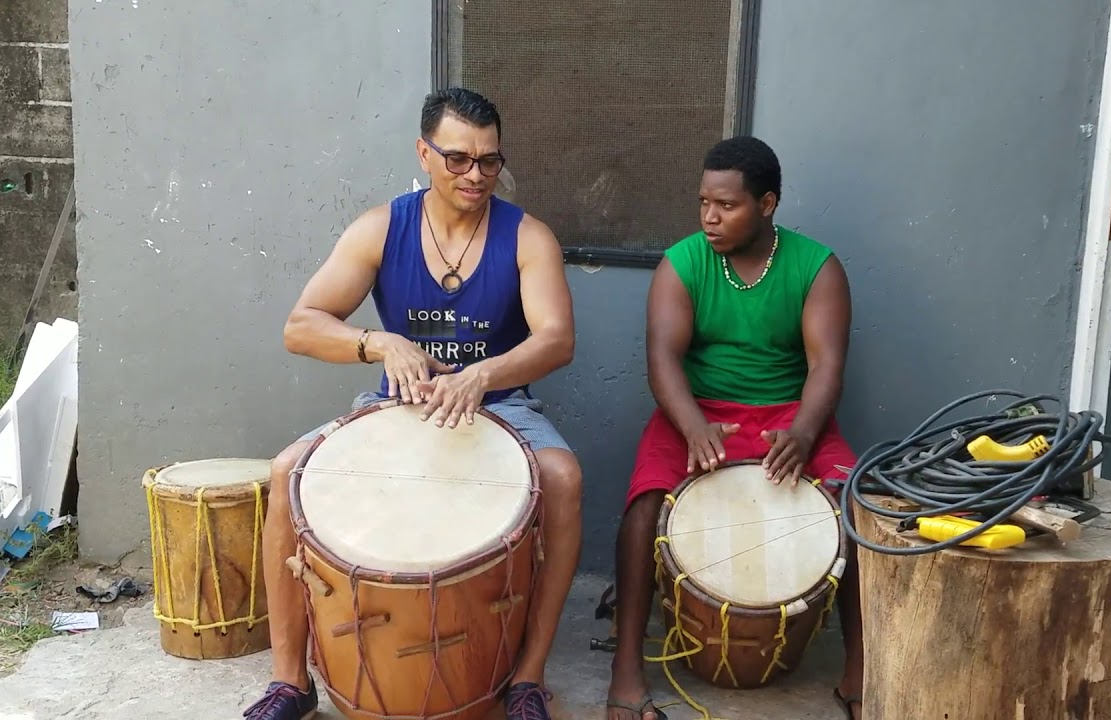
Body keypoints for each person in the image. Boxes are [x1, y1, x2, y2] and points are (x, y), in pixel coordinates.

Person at [241, 87, 582, 720]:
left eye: (488, 161)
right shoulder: (381, 227)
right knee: (289, 469)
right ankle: (290, 682)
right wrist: (377, 342)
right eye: (457, 159)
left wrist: (484, 373)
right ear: (423, 154)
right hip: (400, 403)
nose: (475, 175)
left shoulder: (527, 235)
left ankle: (528, 678)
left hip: (501, 405)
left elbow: (557, 340)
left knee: (562, 477)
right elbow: (301, 324)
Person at [604, 136, 864, 720]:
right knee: (645, 504)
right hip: (695, 411)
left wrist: (802, 432)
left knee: (856, 506)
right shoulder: (683, 262)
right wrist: (694, 428)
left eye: (727, 205)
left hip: (788, 418)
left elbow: (826, 367)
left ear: (767, 203)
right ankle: (625, 671)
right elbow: (662, 360)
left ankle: (858, 669)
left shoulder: (817, 267)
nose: (710, 217)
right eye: (703, 203)